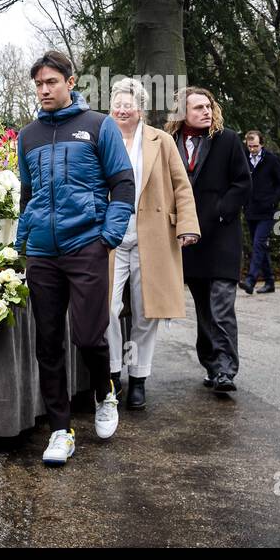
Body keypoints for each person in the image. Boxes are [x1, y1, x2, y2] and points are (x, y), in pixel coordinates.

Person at [15, 51, 134, 466]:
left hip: (87, 245)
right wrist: (22, 240)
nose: (44, 90)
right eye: (38, 84)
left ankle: (105, 392)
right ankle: (60, 431)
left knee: (87, 335)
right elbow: (27, 195)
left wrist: (109, 235)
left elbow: (122, 183)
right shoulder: (27, 135)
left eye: (51, 82)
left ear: (71, 81)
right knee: (47, 342)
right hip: (43, 253)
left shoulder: (98, 125)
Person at [105, 78, 200, 411]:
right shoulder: (101, 140)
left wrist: (187, 226)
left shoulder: (161, 141)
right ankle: (113, 373)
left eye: (128, 104)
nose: (122, 109)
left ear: (140, 108)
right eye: (117, 104)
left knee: (147, 310)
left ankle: (139, 378)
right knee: (107, 309)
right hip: (110, 236)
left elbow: (181, 185)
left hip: (153, 235)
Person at [168, 86, 250, 396]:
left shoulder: (226, 140)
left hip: (222, 238)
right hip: (190, 242)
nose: (206, 112)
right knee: (204, 308)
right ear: (182, 113)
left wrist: (220, 212)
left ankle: (226, 368)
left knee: (221, 305)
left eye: (208, 107)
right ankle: (212, 365)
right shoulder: (171, 144)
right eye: (198, 108)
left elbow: (243, 183)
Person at [240, 130, 280, 295]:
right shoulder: (243, 159)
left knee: (258, 244)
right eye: (250, 146)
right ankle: (270, 282)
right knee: (260, 246)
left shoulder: (271, 160)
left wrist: (273, 201)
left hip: (267, 211)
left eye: (255, 146)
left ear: (262, 144)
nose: (252, 149)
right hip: (250, 210)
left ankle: (250, 280)